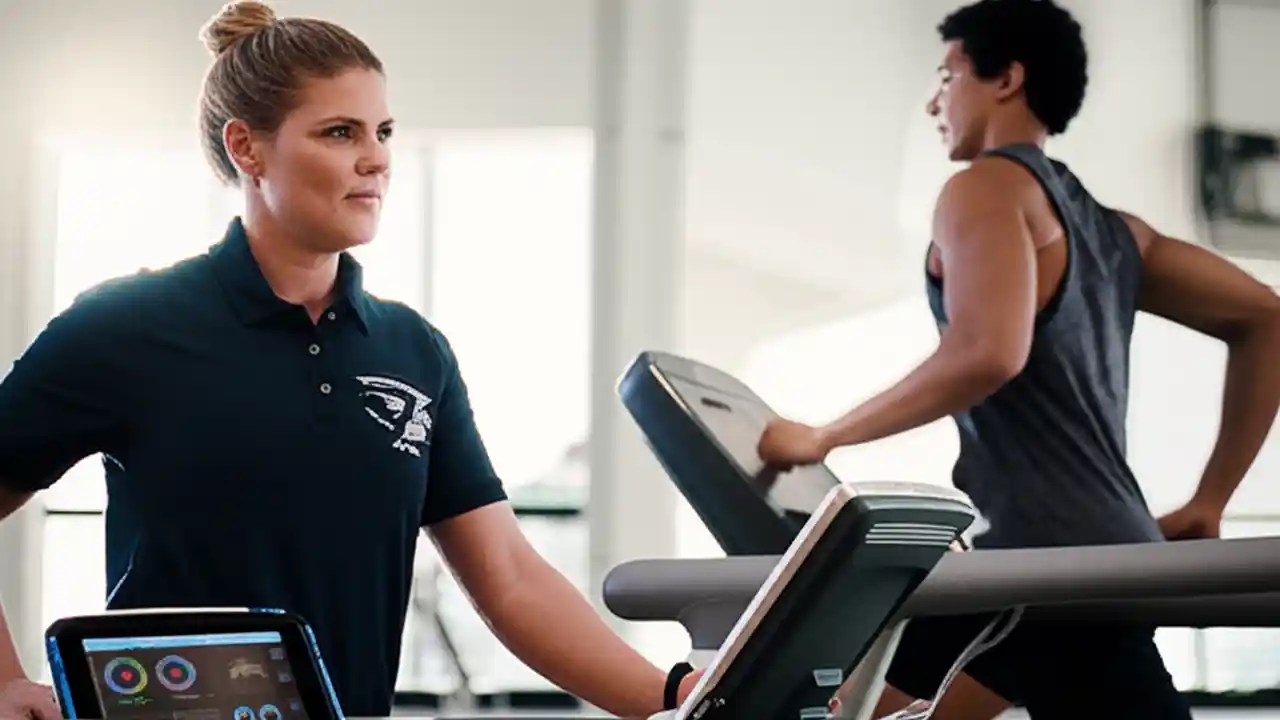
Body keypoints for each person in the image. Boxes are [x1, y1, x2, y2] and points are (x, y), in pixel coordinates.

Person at [0, 3, 701, 718]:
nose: (376, 158)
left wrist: (677, 698)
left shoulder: (413, 352)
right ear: (246, 148)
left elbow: (511, 580)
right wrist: (3, 680)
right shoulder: (126, 327)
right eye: (340, 132)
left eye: (383, 132)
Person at [758, 0, 1280, 718]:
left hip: (1056, 565)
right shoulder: (1114, 231)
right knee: (862, 698)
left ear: (1006, 79)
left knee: (852, 694)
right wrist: (1209, 500)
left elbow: (987, 353)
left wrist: (825, 435)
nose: (935, 101)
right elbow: (1265, 318)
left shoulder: (983, 189)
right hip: (1071, 553)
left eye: (949, 76)